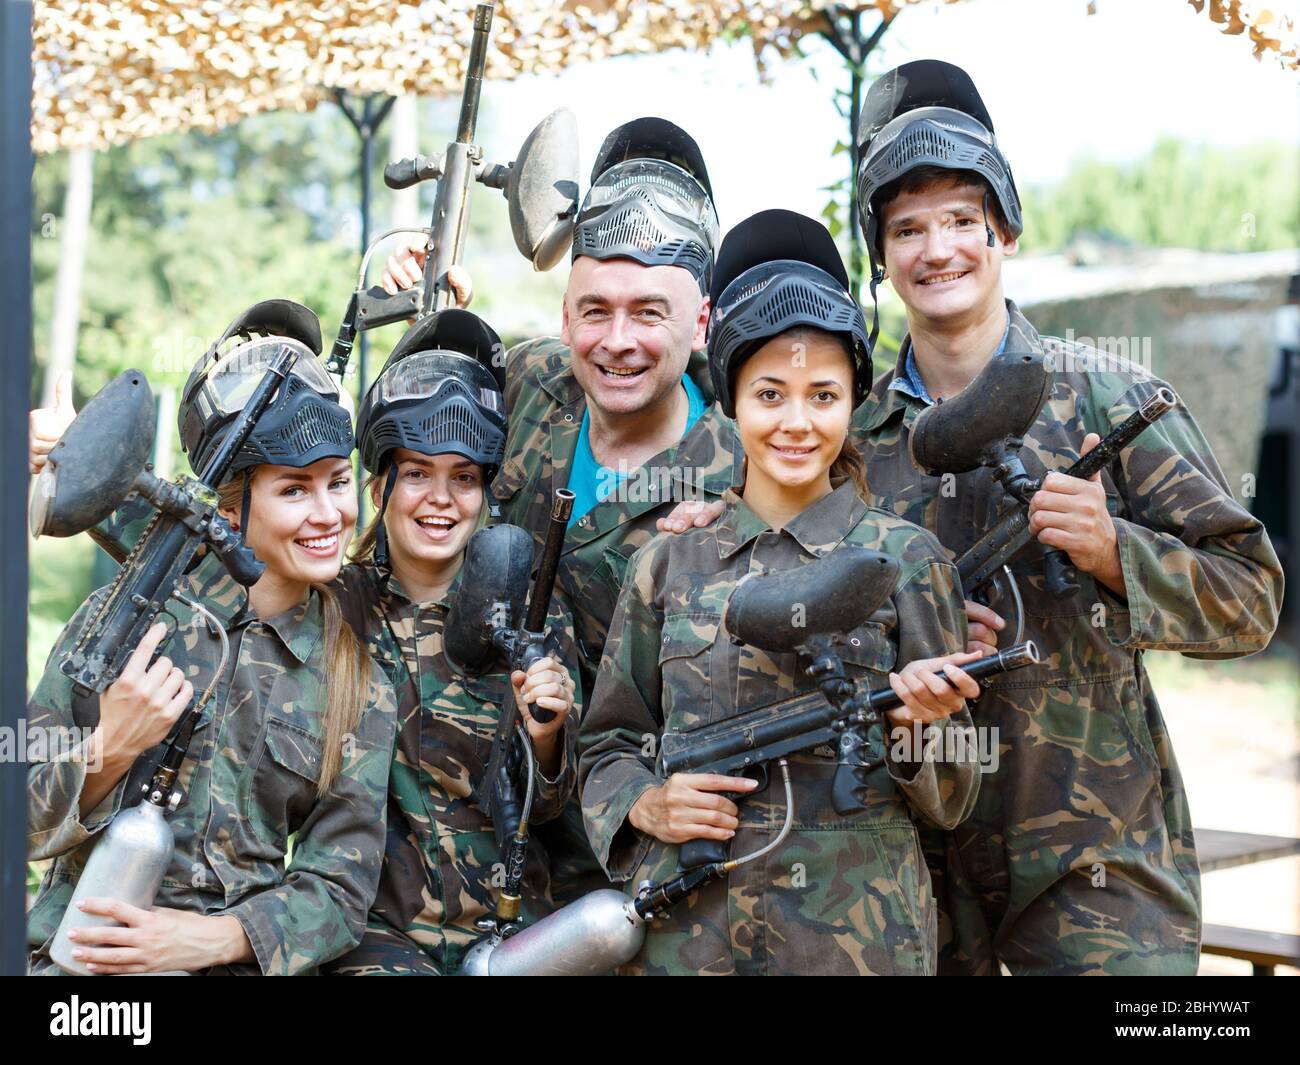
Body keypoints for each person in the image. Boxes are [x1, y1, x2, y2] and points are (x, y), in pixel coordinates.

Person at [850, 60, 1285, 974]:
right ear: (882, 258)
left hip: (1100, 864)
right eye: (907, 229)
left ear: (1005, 229)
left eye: (961, 219)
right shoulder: (853, 442)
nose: (937, 250)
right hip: (917, 869)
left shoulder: (1109, 397)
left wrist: (1116, 550)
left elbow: (1250, 601)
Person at [579, 210, 985, 976]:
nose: (797, 423)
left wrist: (919, 726)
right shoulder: (666, 564)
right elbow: (607, 743)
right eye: (770, 394)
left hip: (855, 949)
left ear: (854, 403)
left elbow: (957, 796)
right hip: (688, 944)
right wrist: (645, 802)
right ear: (732, 401)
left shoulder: (907, 559)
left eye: (823, 396)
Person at [382, 117, 743, 903]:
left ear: (701, 322)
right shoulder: (524, 384)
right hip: (456, 830)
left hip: (630, 868)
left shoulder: (739, 477)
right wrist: (422, 322)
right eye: (595, 310)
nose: (617, 341)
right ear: (566, 313)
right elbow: (406, 465)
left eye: (649, 313)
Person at [26, 302, 398, 975]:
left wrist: (214, 938)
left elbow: (339, 892)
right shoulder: (126, 621)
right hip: (79, 967)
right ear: (229, 510)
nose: (329, 514)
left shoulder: (357, 683)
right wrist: (111, 747)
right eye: (294, 490)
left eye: (339, 483)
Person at [321, 309, 581, 975]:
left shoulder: (532, 612)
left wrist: (547, 737)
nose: (441, 498)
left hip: (516, 935)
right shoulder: (332, 606)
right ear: (379, 485)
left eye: (463, 477)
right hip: (373, 937)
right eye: (416, 473)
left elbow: (549, 807)